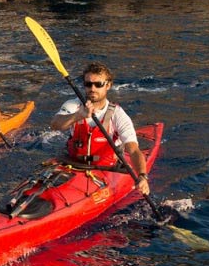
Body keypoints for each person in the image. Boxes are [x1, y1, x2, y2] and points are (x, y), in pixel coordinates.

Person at [50, 61, 150, 196]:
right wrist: (78, 116)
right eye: (88, 84)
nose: (92, 88)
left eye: (98, 84)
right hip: (73, 165)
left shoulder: (117, 114)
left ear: (108, 85)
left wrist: (142, 176)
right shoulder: (74, 105)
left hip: (105, 169)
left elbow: (133, 150)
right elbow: (55, 125)